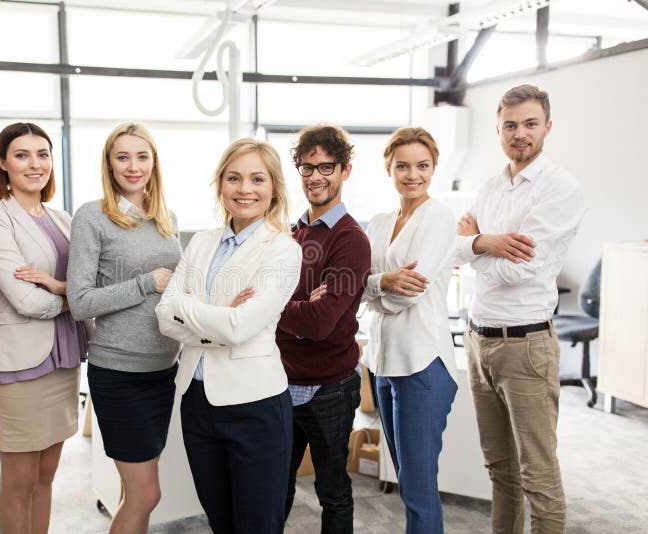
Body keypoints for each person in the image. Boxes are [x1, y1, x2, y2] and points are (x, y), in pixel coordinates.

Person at [156, 138, 302, 534]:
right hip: (197, 402)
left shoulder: (283, 250)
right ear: (220, 184)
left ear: (273, 188)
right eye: (234, 178)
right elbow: (163, 316)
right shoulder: (202, 241)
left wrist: (187, 305)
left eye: (257, 179)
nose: (245, 189)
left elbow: (241, 326)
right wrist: (219, 316)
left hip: (254, 405)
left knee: (257, 525)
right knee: (220, 521)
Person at [456, 84, 584, 534]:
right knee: (499, 470)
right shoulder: (491, 187)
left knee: (538, 476)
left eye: (530, 124)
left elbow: (520, 272)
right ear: (498, 128)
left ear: (547, 127)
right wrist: (486, 243)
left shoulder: (559, 188)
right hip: (479, 340)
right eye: (510, 125)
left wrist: (475, 246)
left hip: (525, 346)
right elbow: (457, 249)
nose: (520, 133)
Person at [0, 123, 89, 534]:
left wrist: (62, 289)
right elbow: (24, 299)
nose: (34, 164)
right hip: (21, 366)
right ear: (2, 163)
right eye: (22, 155)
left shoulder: (63, 219)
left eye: (42, 154)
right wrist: (74, 299)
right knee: (19, 483)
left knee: (45, 478)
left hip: (64, 360)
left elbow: (88, 285)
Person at [67, 123, 181, 534]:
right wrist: (146, 282)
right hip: (119, 373)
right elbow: (79, 301)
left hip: (162, 369)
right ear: (109, 164)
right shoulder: (92, 217)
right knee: (146, 494)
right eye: (122, 157)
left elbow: (178, 285)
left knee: (132, 493)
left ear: (154, 163)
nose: (133, 167)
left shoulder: (166, 219)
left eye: (142, 156)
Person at [362, 127, 458, 533]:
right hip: (384, 362)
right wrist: (383, 283)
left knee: (419, 490)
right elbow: (359, 285)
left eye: (422, 165)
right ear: (389, 168)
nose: (412, 174)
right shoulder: (381, 222)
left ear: (434, 168)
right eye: (402, 165)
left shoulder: (438, 217)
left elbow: (411, 293)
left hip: (423, 365)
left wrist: (376, 288)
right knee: (407, 483)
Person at [276, 124, 371, 533]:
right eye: (306, 167)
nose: (315, 176)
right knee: (274, 487)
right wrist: (294, 307)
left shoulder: (351, 240)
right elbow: (289, 309)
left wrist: (272, 307)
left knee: (332, 491)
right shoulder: (290, 232)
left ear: (345, 170)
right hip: (281, 380)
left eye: (326, 167)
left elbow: (320, 323)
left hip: (329, 387)